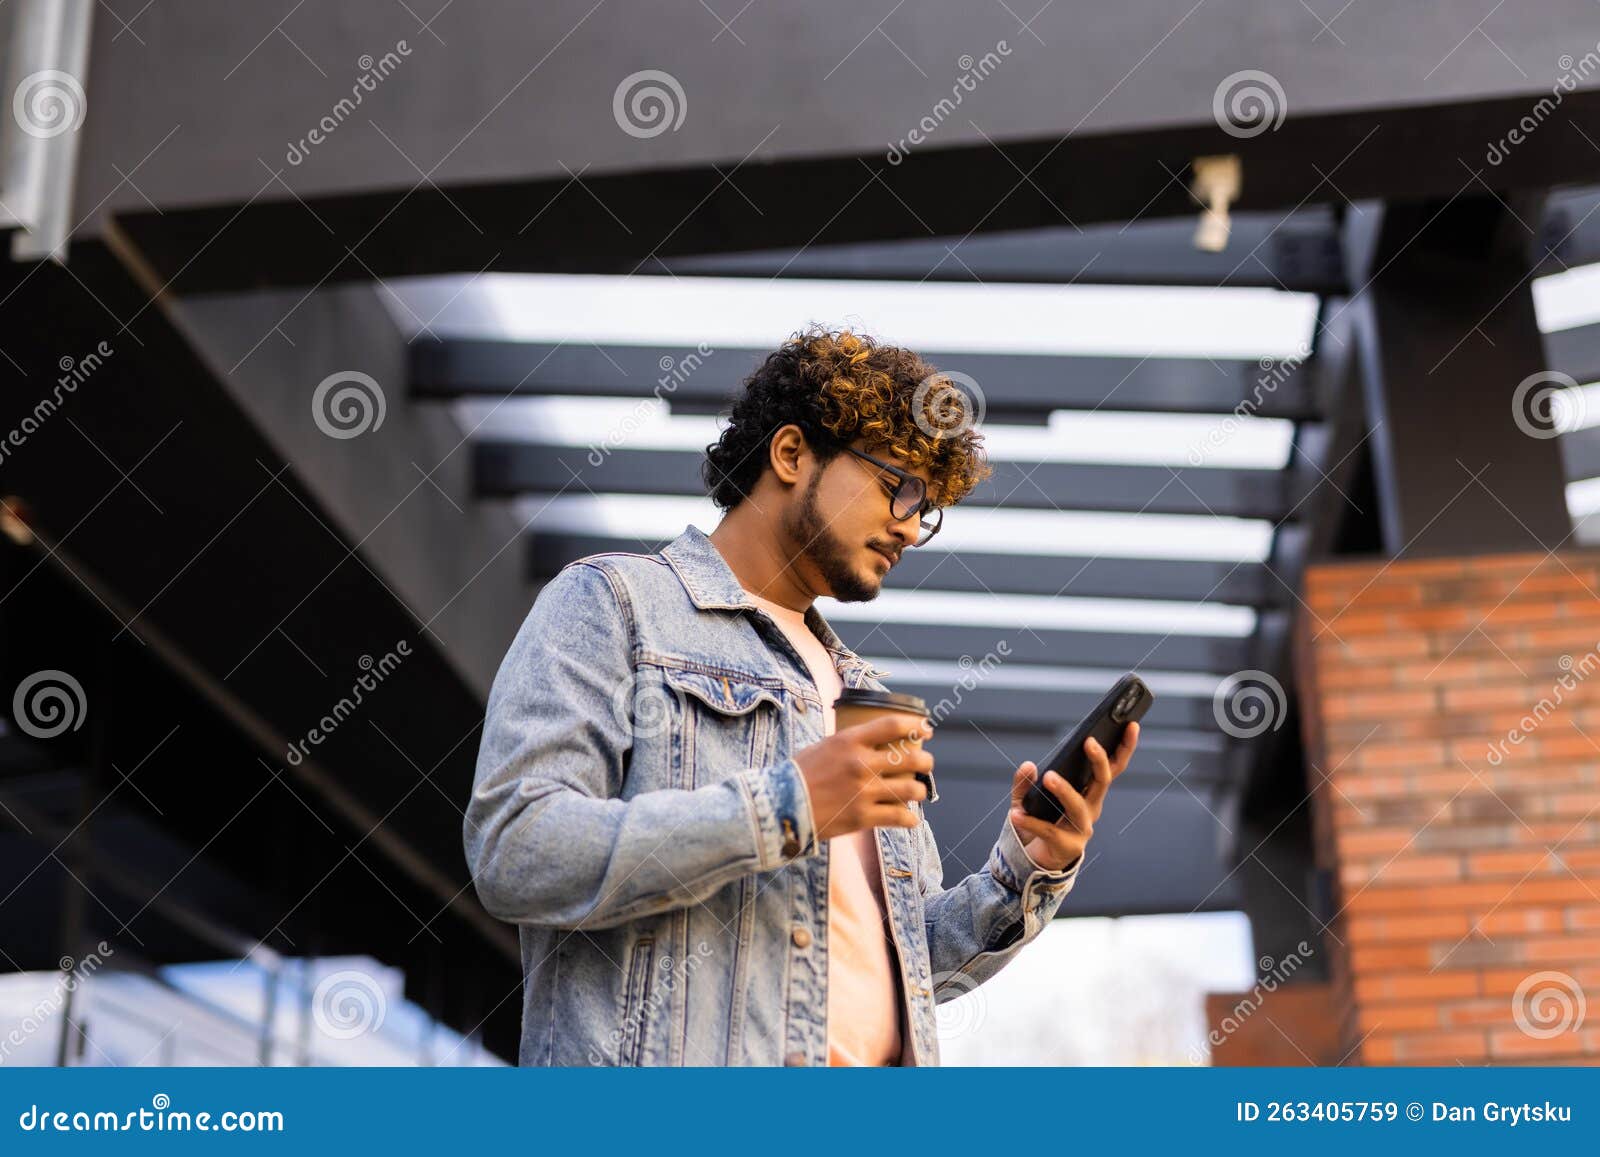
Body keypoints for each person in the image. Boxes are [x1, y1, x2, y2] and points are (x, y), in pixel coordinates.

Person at [464, 326, 1140, 1066]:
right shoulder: (613, 606)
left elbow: (906, 963)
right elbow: (515, 848)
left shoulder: (867, 696)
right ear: (791, 454)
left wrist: (1025, 868)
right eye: (900, 487)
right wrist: (787, 806)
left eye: (928, 508)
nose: (912, 528)